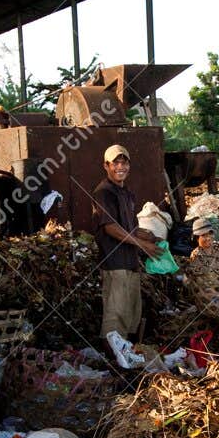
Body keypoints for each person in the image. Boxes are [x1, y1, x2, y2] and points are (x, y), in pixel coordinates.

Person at [92, 144, 157, 341]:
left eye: (124, 162)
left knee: (130, 313)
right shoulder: (104, 192)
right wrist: (142, 245)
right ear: (106, 166)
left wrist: (151, 237)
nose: (120, 167)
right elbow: (110, 227)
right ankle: (112, 363)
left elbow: (131, 227)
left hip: (130, 262)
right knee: (116, 315)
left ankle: (125, 356)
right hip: (114, 263)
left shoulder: (126, 193)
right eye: (115, 163)